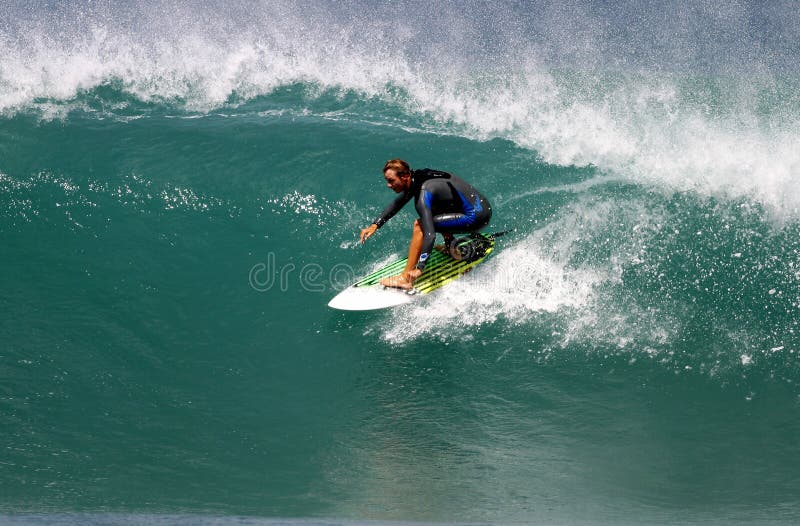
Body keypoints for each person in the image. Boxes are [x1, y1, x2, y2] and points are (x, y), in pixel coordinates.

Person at [359, 159, 492, 290]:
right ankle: (451, 247)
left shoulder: (423, 193)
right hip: (482, 208)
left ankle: (405, 279)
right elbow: (398, 203)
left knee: (420, 225)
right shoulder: (418, 177)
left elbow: (430, 235)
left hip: (475, 217)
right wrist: (375, 225)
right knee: (435, 206)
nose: (388, 185)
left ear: (404, 176)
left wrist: (420, 267)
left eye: (391, 180)